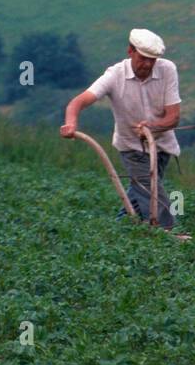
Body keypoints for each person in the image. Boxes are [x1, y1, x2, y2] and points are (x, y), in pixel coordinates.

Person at [60, 28, 181, 228]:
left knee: (140, 191)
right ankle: (166, 233)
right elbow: (78, 101)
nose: (148, 64)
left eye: (152, 60)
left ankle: (121, 227)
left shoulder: (167, 69)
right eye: (143, 58)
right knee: (153, 195)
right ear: (130, 51)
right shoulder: (114, 75)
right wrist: (71, 123)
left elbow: (173, 117)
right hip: (131, 146)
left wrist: (152, 127)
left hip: (162, 146)